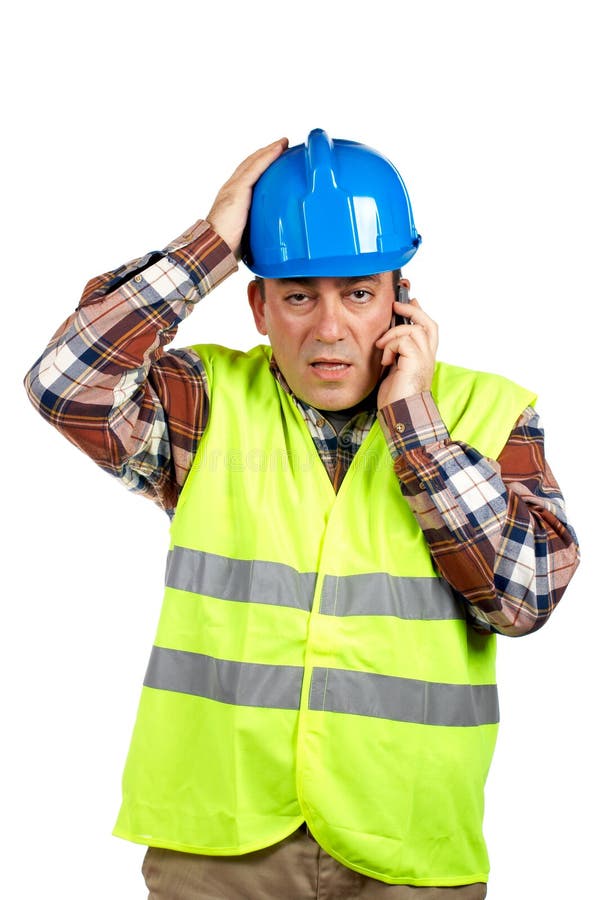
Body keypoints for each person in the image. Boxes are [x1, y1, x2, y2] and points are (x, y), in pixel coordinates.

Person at [24, 129, 579, 899]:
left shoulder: (487, 412)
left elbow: (523, 599)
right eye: (297, 295)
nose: (327, 328)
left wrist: (415, 427)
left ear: (399, 299)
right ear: (257, 304)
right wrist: (207, 247)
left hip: (407, 841)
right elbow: (66, 382)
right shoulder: (204, 401)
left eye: (357, 294)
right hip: (217, 845)